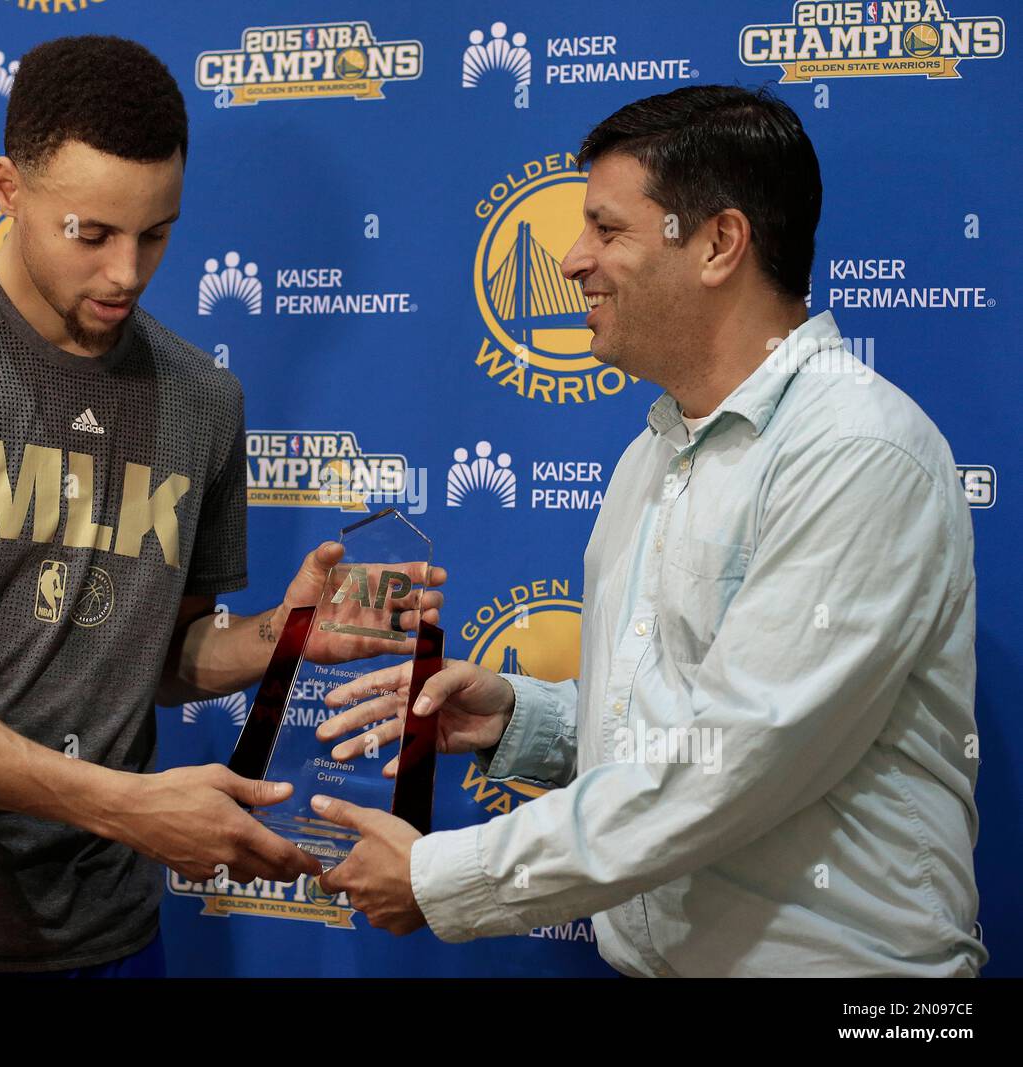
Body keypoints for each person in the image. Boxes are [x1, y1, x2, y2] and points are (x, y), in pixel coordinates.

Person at [0, 34, 442, 978]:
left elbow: (159, 654)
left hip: (100, 932)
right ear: (7, 189)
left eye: (156, 233)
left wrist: (280, 636)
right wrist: (123, 804)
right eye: (91, 233)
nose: (126, 272)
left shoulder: (203, 401)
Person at [314, 84, 986, 978]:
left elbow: (734, 764)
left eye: (607, 228)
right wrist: (521, 717)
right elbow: (688, 722)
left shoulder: (858, 452)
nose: (570, 258)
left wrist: (444, 877)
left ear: (718, 244)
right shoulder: (654, 455)